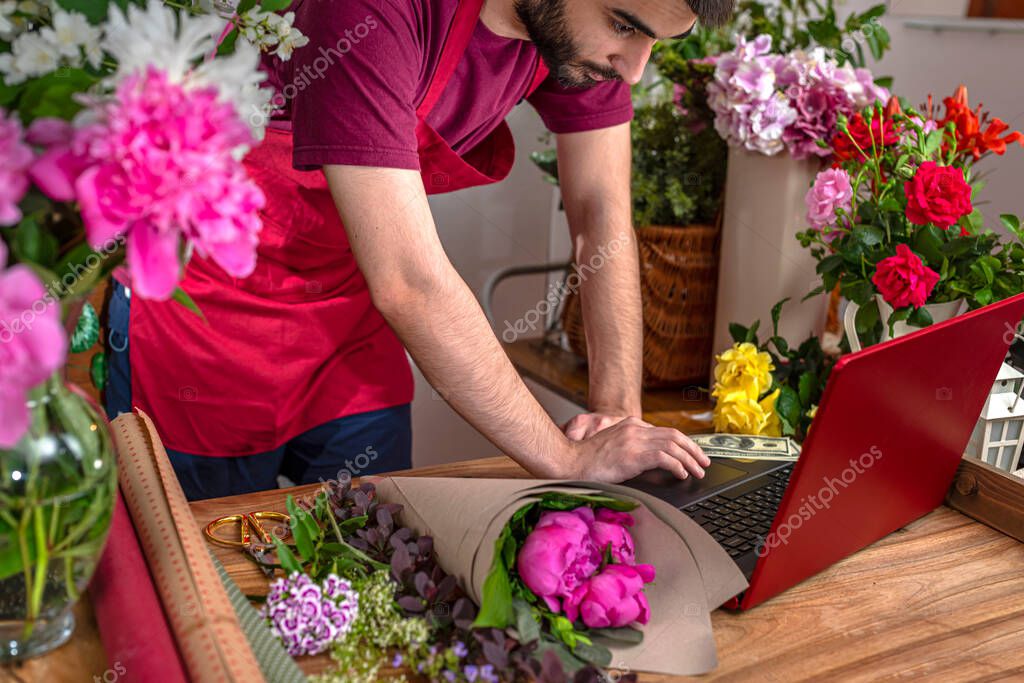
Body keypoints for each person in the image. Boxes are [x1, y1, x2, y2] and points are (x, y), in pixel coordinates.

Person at [105, 0, 736, 500]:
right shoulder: (373, 8)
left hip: (349, 324)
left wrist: (617, 414)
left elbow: (601, 212)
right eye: (625, 25)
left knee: (376, 553)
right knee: (201, 579)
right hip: (203, 321)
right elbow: (410, 282)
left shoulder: (573, 36)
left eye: (656, 41)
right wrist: (567, 457)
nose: (634, 69)